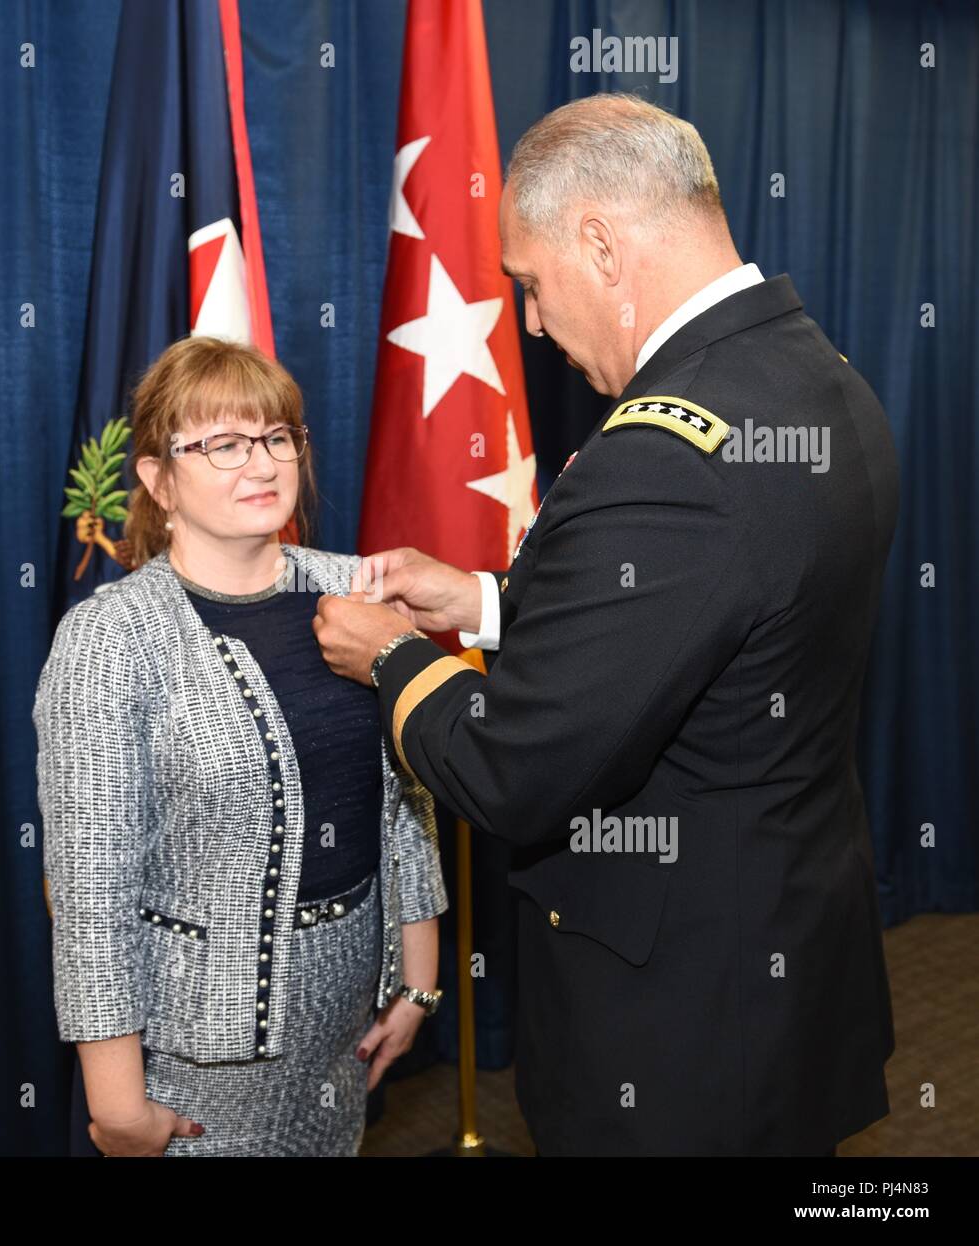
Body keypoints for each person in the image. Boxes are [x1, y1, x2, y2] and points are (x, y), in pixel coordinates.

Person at [314, 93, 898, 1157]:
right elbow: (701, 623)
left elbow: (511, 766)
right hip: (782, 943)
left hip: (678, 1019)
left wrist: (390, 654)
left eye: (530, 285)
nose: (531, 323)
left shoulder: (665, 455)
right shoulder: (817, 378)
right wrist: (484, 601)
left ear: (600, 242)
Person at [33, 335, 447, 1157]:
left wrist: (419, 982)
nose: (259, 464)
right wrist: (118, 1108)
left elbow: (404, 801)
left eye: (275, 437)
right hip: (198, 1054)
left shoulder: (357, 590)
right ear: (157, 479)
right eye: (221, 444)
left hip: (347, 1023)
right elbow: (88, 894)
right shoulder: (110, 637)